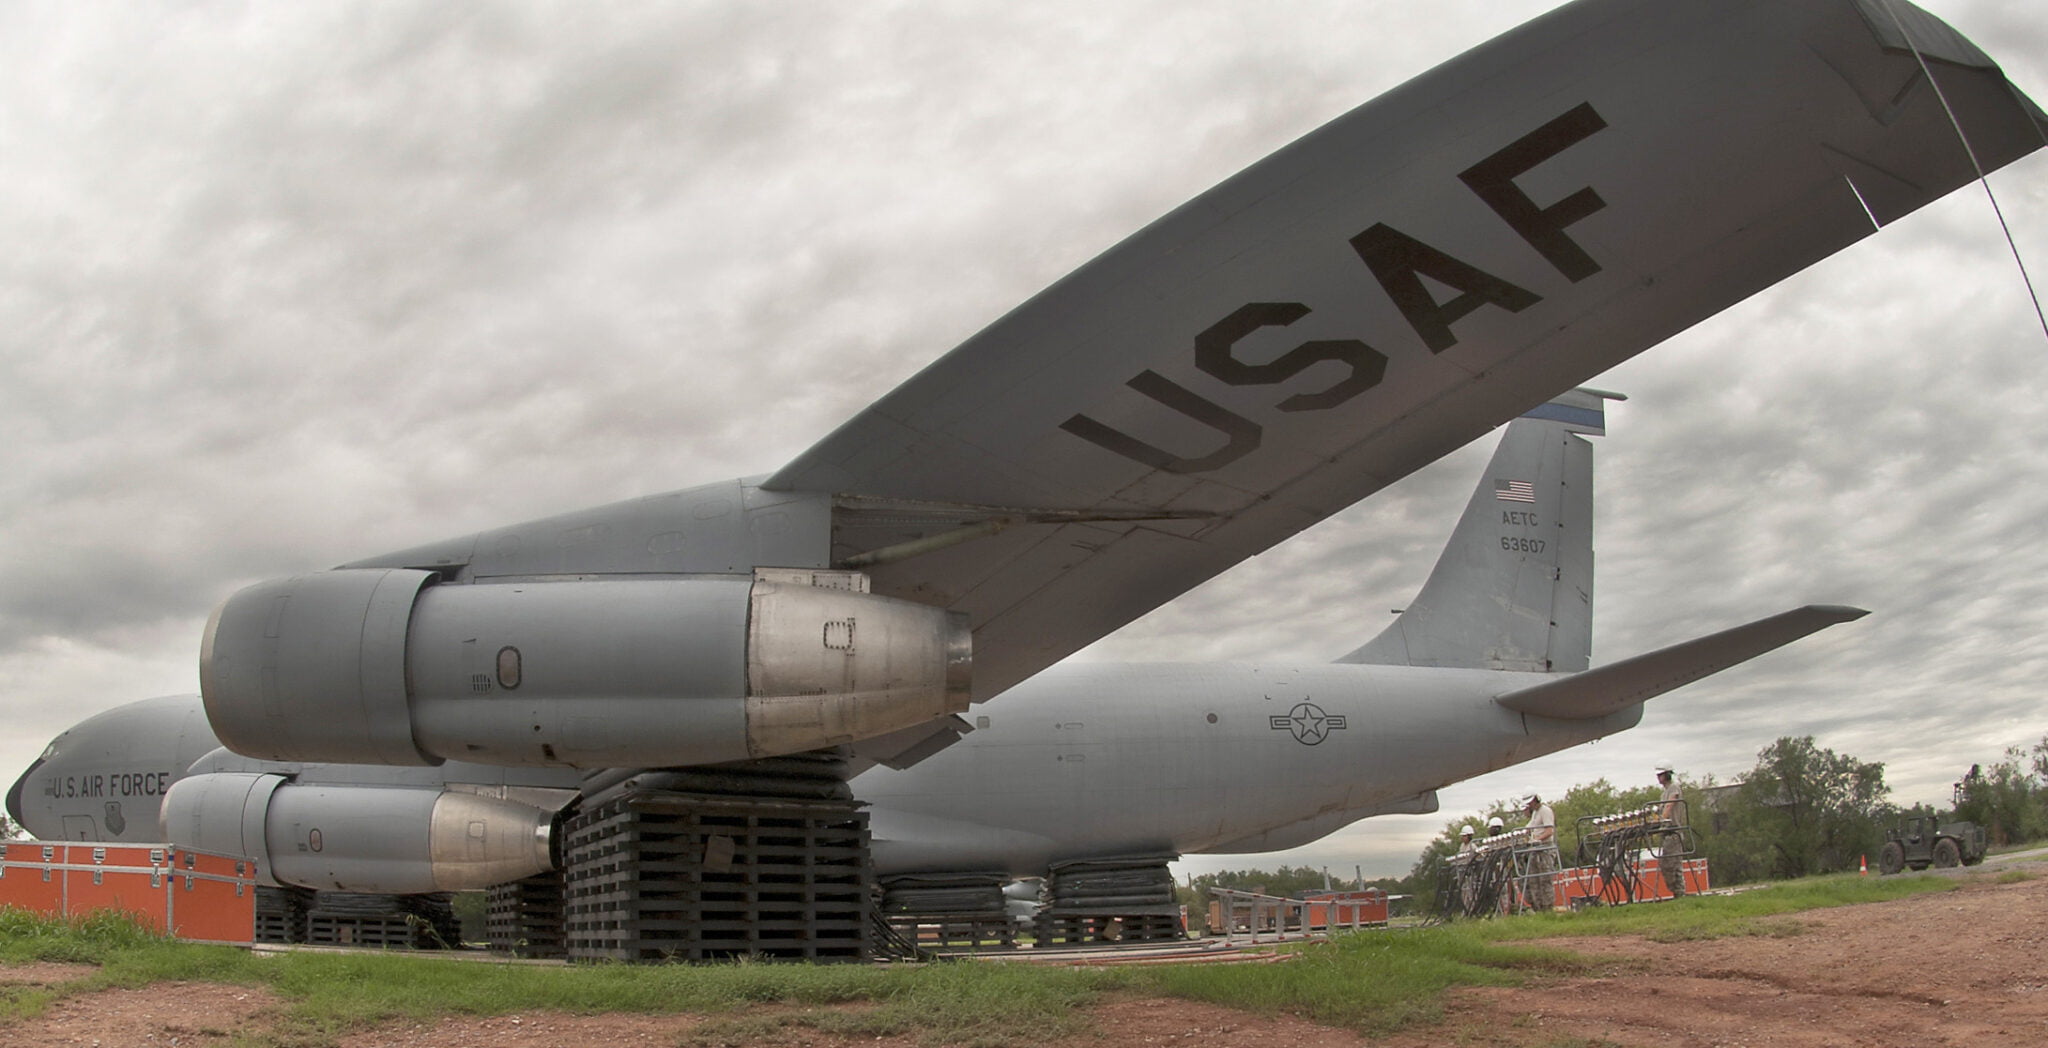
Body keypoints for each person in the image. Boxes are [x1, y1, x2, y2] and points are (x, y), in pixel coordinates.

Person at [1520, 791, 1558, 911]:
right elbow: (1529, 828)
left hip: (1544, 849)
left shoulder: (1545, 811)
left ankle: (1547, 907)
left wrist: (1537, 839)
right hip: (1534, 849)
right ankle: (1538, 907)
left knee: (1545, 880)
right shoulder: (1535, 813)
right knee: (1533, 880)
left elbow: (1549, 831)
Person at [1656, 764, 1688, 897]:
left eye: (1661, 774)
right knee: (1667, 864)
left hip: (1674, 830)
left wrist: (1663, 818)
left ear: (1667, 775)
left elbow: (1670, 805)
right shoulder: (1663, 792)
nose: (1658, 777)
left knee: (1672, 864)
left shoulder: (1673, 788)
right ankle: (1677, 892)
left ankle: (1679, 892)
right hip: (1666, 832)